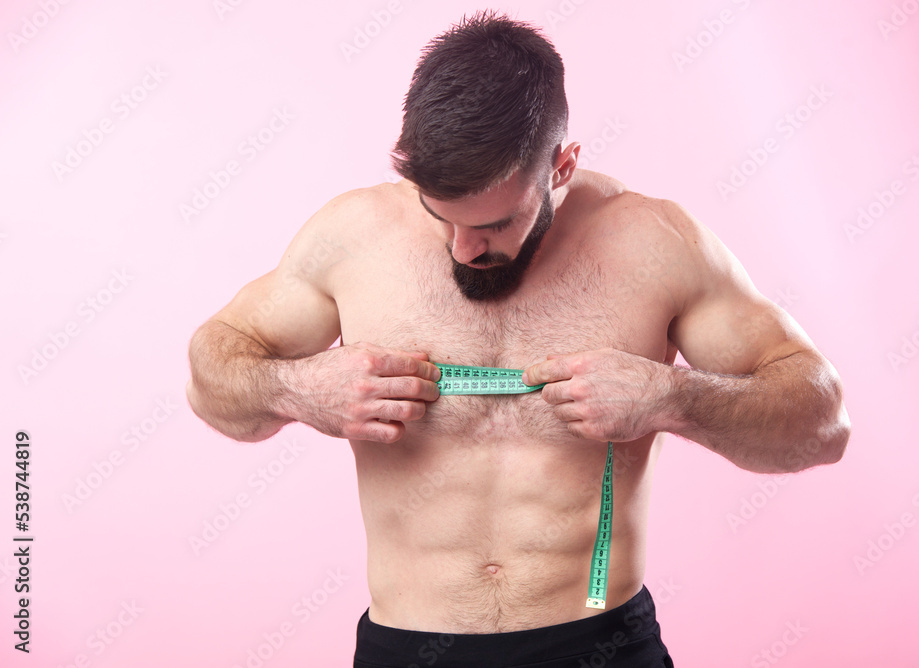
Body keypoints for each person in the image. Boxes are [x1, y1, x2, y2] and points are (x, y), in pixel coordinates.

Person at [185, 10, 851, 667]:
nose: (462, 248)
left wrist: (671, 396)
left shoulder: (658, 245)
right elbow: (210, 377)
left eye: (495, 224)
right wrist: (297, 388)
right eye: (440, 215)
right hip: (408, 648)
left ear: (560, 167)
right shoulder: (353, 237)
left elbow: (823, 425)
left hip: (600, 645)